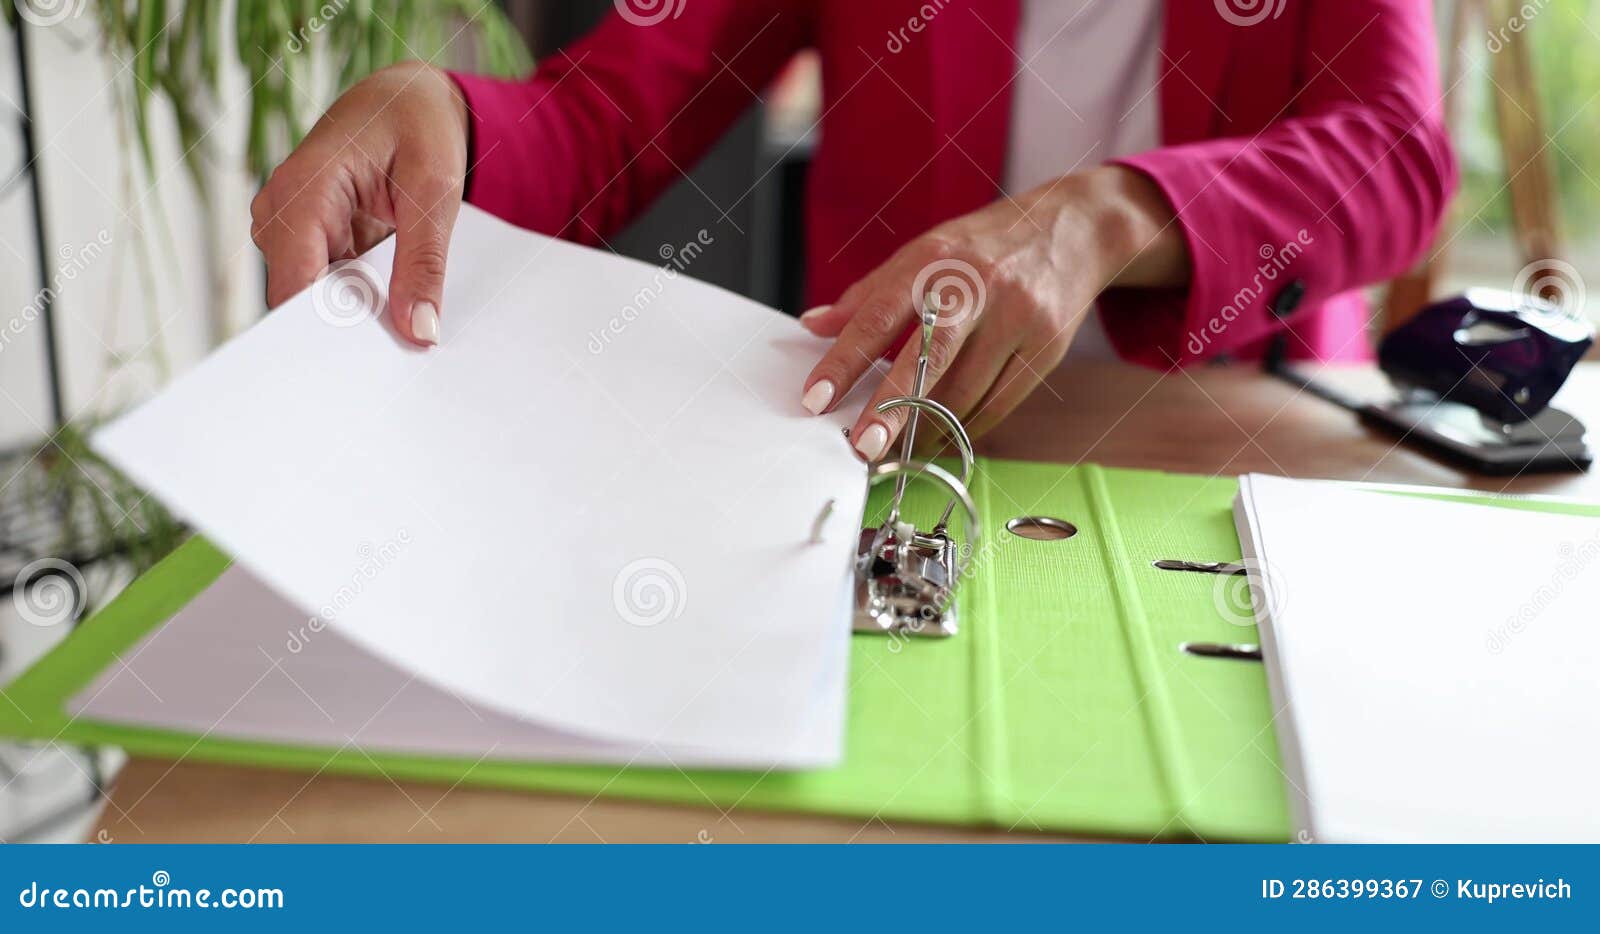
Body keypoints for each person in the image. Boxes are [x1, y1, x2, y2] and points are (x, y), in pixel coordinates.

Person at [250, 0, 1456, 458]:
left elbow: (1397, 155)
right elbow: (612, 109)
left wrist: (1105, 213)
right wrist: (448, 115)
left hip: (1226, 434)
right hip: (890, 436)